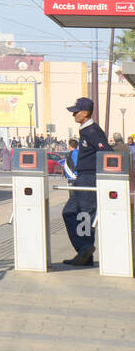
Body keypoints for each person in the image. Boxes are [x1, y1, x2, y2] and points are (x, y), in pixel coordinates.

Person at [62, 97, 111, 267]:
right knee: (74, 213)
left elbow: (107, 152)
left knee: (82, 214)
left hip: (89, 178)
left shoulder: (92, 131)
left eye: (76, 111)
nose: (73, 114)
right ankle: (84, 252)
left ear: (85, 113)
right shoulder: (86, 131)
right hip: (83, 177)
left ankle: (84, 249)